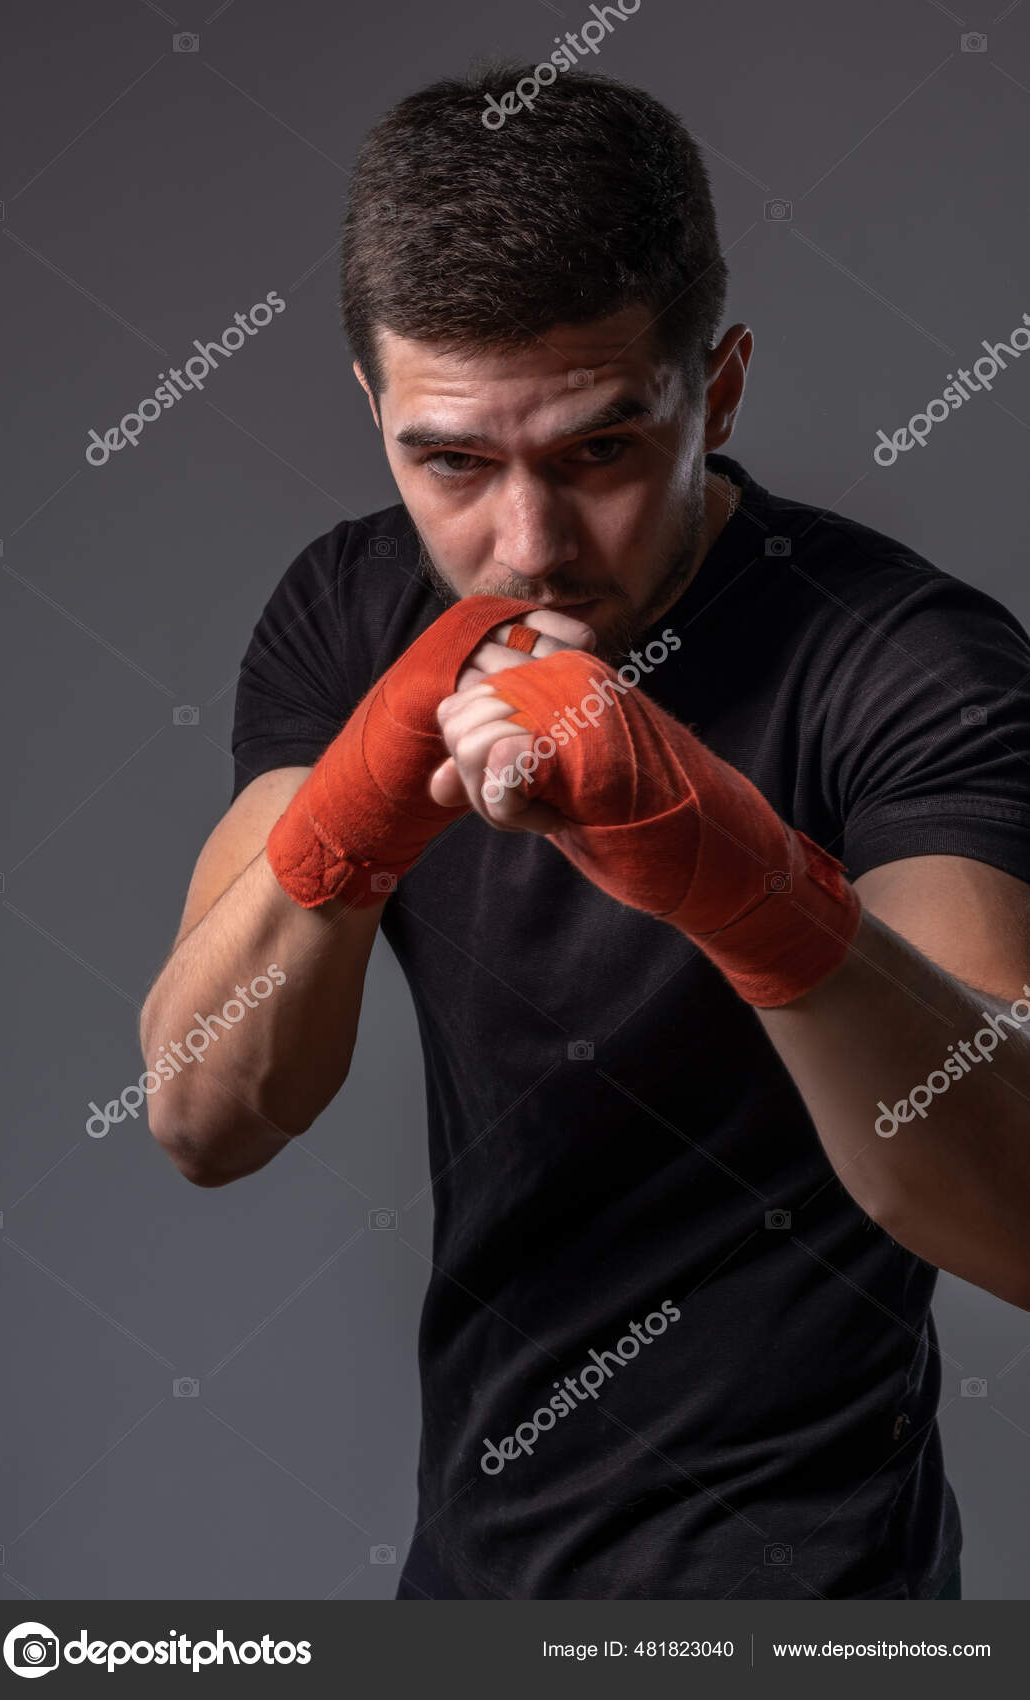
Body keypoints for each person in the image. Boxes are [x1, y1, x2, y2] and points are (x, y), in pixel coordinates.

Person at [140, 64, 1030, 1600]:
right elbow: (204, 1117)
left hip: (814, 1601)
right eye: (453, 463)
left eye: (602, 452)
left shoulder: (903, 661)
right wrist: (353, 810)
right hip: (474, 1585)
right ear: (374, 407)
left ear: (722, 386)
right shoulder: (357, 613)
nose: (528, 544)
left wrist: (745, 885)